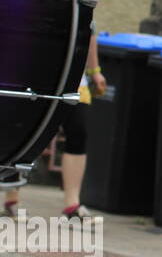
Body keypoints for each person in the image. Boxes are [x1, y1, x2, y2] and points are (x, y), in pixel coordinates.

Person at [3, 33, 105, 220]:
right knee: (25, 131)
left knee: (78, 133)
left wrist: (94, 70)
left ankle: (72, 204)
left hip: (74, 81)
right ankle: (12, 197)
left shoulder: (84, 3)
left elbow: (89, 33)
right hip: (36, 76)